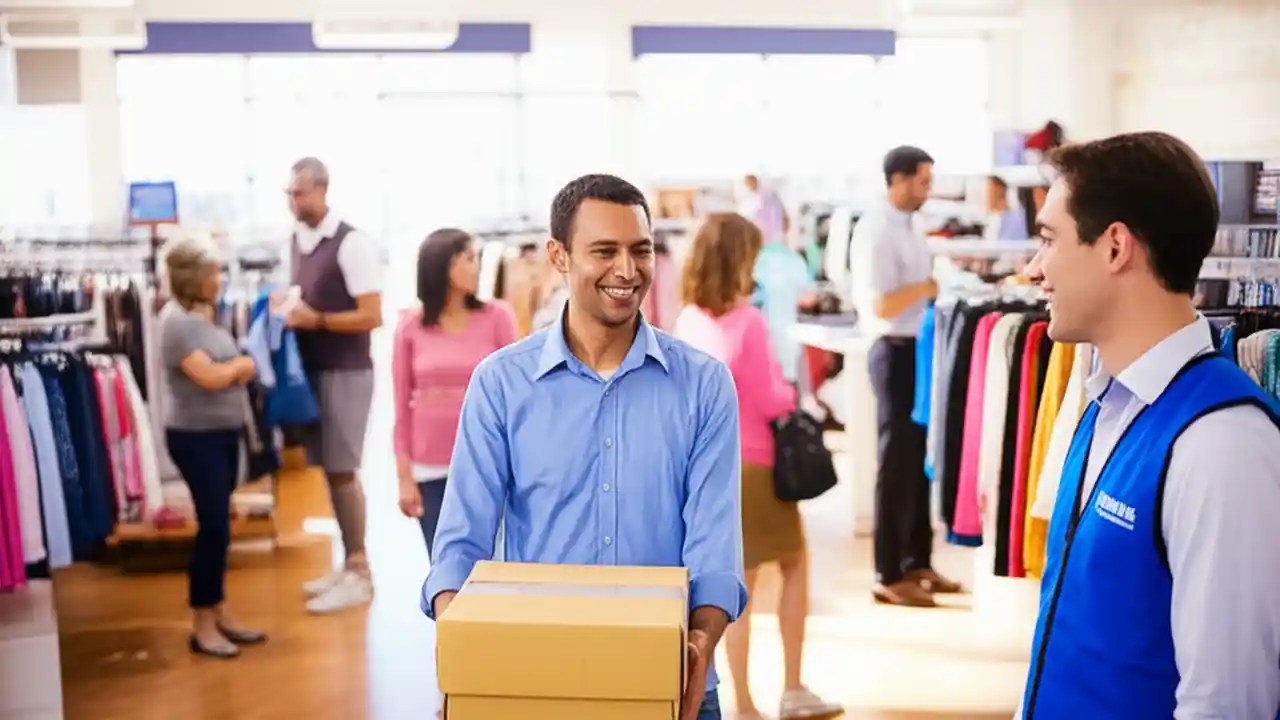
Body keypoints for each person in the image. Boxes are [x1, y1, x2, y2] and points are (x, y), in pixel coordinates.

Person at [423, 174, 747, 720]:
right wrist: (465, 656)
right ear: (559, 257)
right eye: (604, 251)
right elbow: (459, 546)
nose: (627, 270)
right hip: (538, 680)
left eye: (640, 250)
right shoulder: (501, 384)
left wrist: (699, 643)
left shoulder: (704, 385)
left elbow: (715, 550)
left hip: (675, 679)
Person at [1017, 132, 1280, 719]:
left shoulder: (1221, 442)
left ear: (1115, 247)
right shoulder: (1104, 404)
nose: (1034, 269)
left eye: (1048, 239)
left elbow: (1227, 701)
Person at [674, 213, 843, 720]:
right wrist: (792, 394)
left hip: (710, 469)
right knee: (793, 566)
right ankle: (791, 688)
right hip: (757, 467)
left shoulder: (687, 321)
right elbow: (771, 398)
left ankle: (742, 700)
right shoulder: (748, 321)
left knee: (729, 587)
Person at [851, 145, 959, 607]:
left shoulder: (911, 225)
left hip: (916, 349)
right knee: (894, 463)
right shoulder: (875, 230)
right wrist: (929, 288)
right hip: (892, 351)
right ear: (898, 179)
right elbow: (882, 305)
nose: (928, 189)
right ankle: (887, 571)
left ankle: (918, 561)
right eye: (923, 180)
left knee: (918, 457)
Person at [281, 157, 384, 614]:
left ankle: (360, 569)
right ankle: (348, 563)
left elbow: (372, 315)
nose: (293, 200)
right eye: (290, 193)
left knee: (344, 472)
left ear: (322, 189)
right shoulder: (297, 244)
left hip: (346, 370)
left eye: (299, 192)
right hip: (314, 371)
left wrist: (316, 319)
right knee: (329, 470)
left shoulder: (352, 243)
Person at [159, 238, 267, 659]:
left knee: (220, 525)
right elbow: (210, 376)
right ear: (193, 278)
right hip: (194, 437)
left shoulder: (203, 317)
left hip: (220, 435)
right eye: (212, 273)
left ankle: (219, 610)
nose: (219, 280)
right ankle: (203, 623)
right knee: (213, 528)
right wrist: (242, 366)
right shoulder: (175, 323)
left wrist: (236, 368)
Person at [392, 228, 517, 557]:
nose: (477, 268)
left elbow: (518, 397)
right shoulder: (410, 326)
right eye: (469, 259)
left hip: (489, 461)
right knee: (445, 567)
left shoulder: (498, 317)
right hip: (430, 467)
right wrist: (404, 477)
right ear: (442, 266)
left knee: (495, 564)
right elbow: (401, 409)